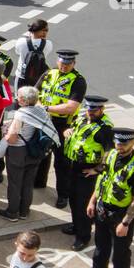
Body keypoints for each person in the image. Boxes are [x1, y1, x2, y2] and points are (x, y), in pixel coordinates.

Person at [79, 127, 134, 268]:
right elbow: (103, 178)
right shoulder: (110, 155)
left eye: (124, 144)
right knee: (101, 243)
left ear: (133, 143)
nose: (120, 146)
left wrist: (125, 223)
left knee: (120, 254)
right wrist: (93, 201)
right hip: (103, 207)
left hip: (121, 214)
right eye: (118, 143)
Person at [32, 49, 85, 208]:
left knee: (62, 162)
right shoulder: (49, 73)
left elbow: (71, 107)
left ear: (73, 64)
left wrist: (47, 108)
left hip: (63, 125)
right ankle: (39, 182)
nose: (64, 66)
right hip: (43, 120)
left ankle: (63, 194)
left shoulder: (78, 80)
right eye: (62, 63)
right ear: (57, 62)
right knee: (41, 153)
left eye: (68, 64)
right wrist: (39, 106)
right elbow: (35, 92)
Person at [60, 95, 114, 251]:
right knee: (73, 199)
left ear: (101, 109)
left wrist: (97, 170)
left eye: (94, 110)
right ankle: (76, 226)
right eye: (89, 109)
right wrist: (67, 131)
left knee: (83, 205)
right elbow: (73, 129)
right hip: (73, 165)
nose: (90, 112)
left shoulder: (105, 128)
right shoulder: (83, 117)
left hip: (88, 171)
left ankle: (83, 236)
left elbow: (110, 153)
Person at [0, 85, 56, 222]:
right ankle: (24, 211)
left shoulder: (20, 114)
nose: (16, 98)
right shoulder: (42, 111)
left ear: (23, 100)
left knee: (15, 183)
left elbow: (12, 137)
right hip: (35, 152)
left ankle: (12, 212)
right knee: (28, 183)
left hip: (18, 152)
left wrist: (5, 135)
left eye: (18, 96)